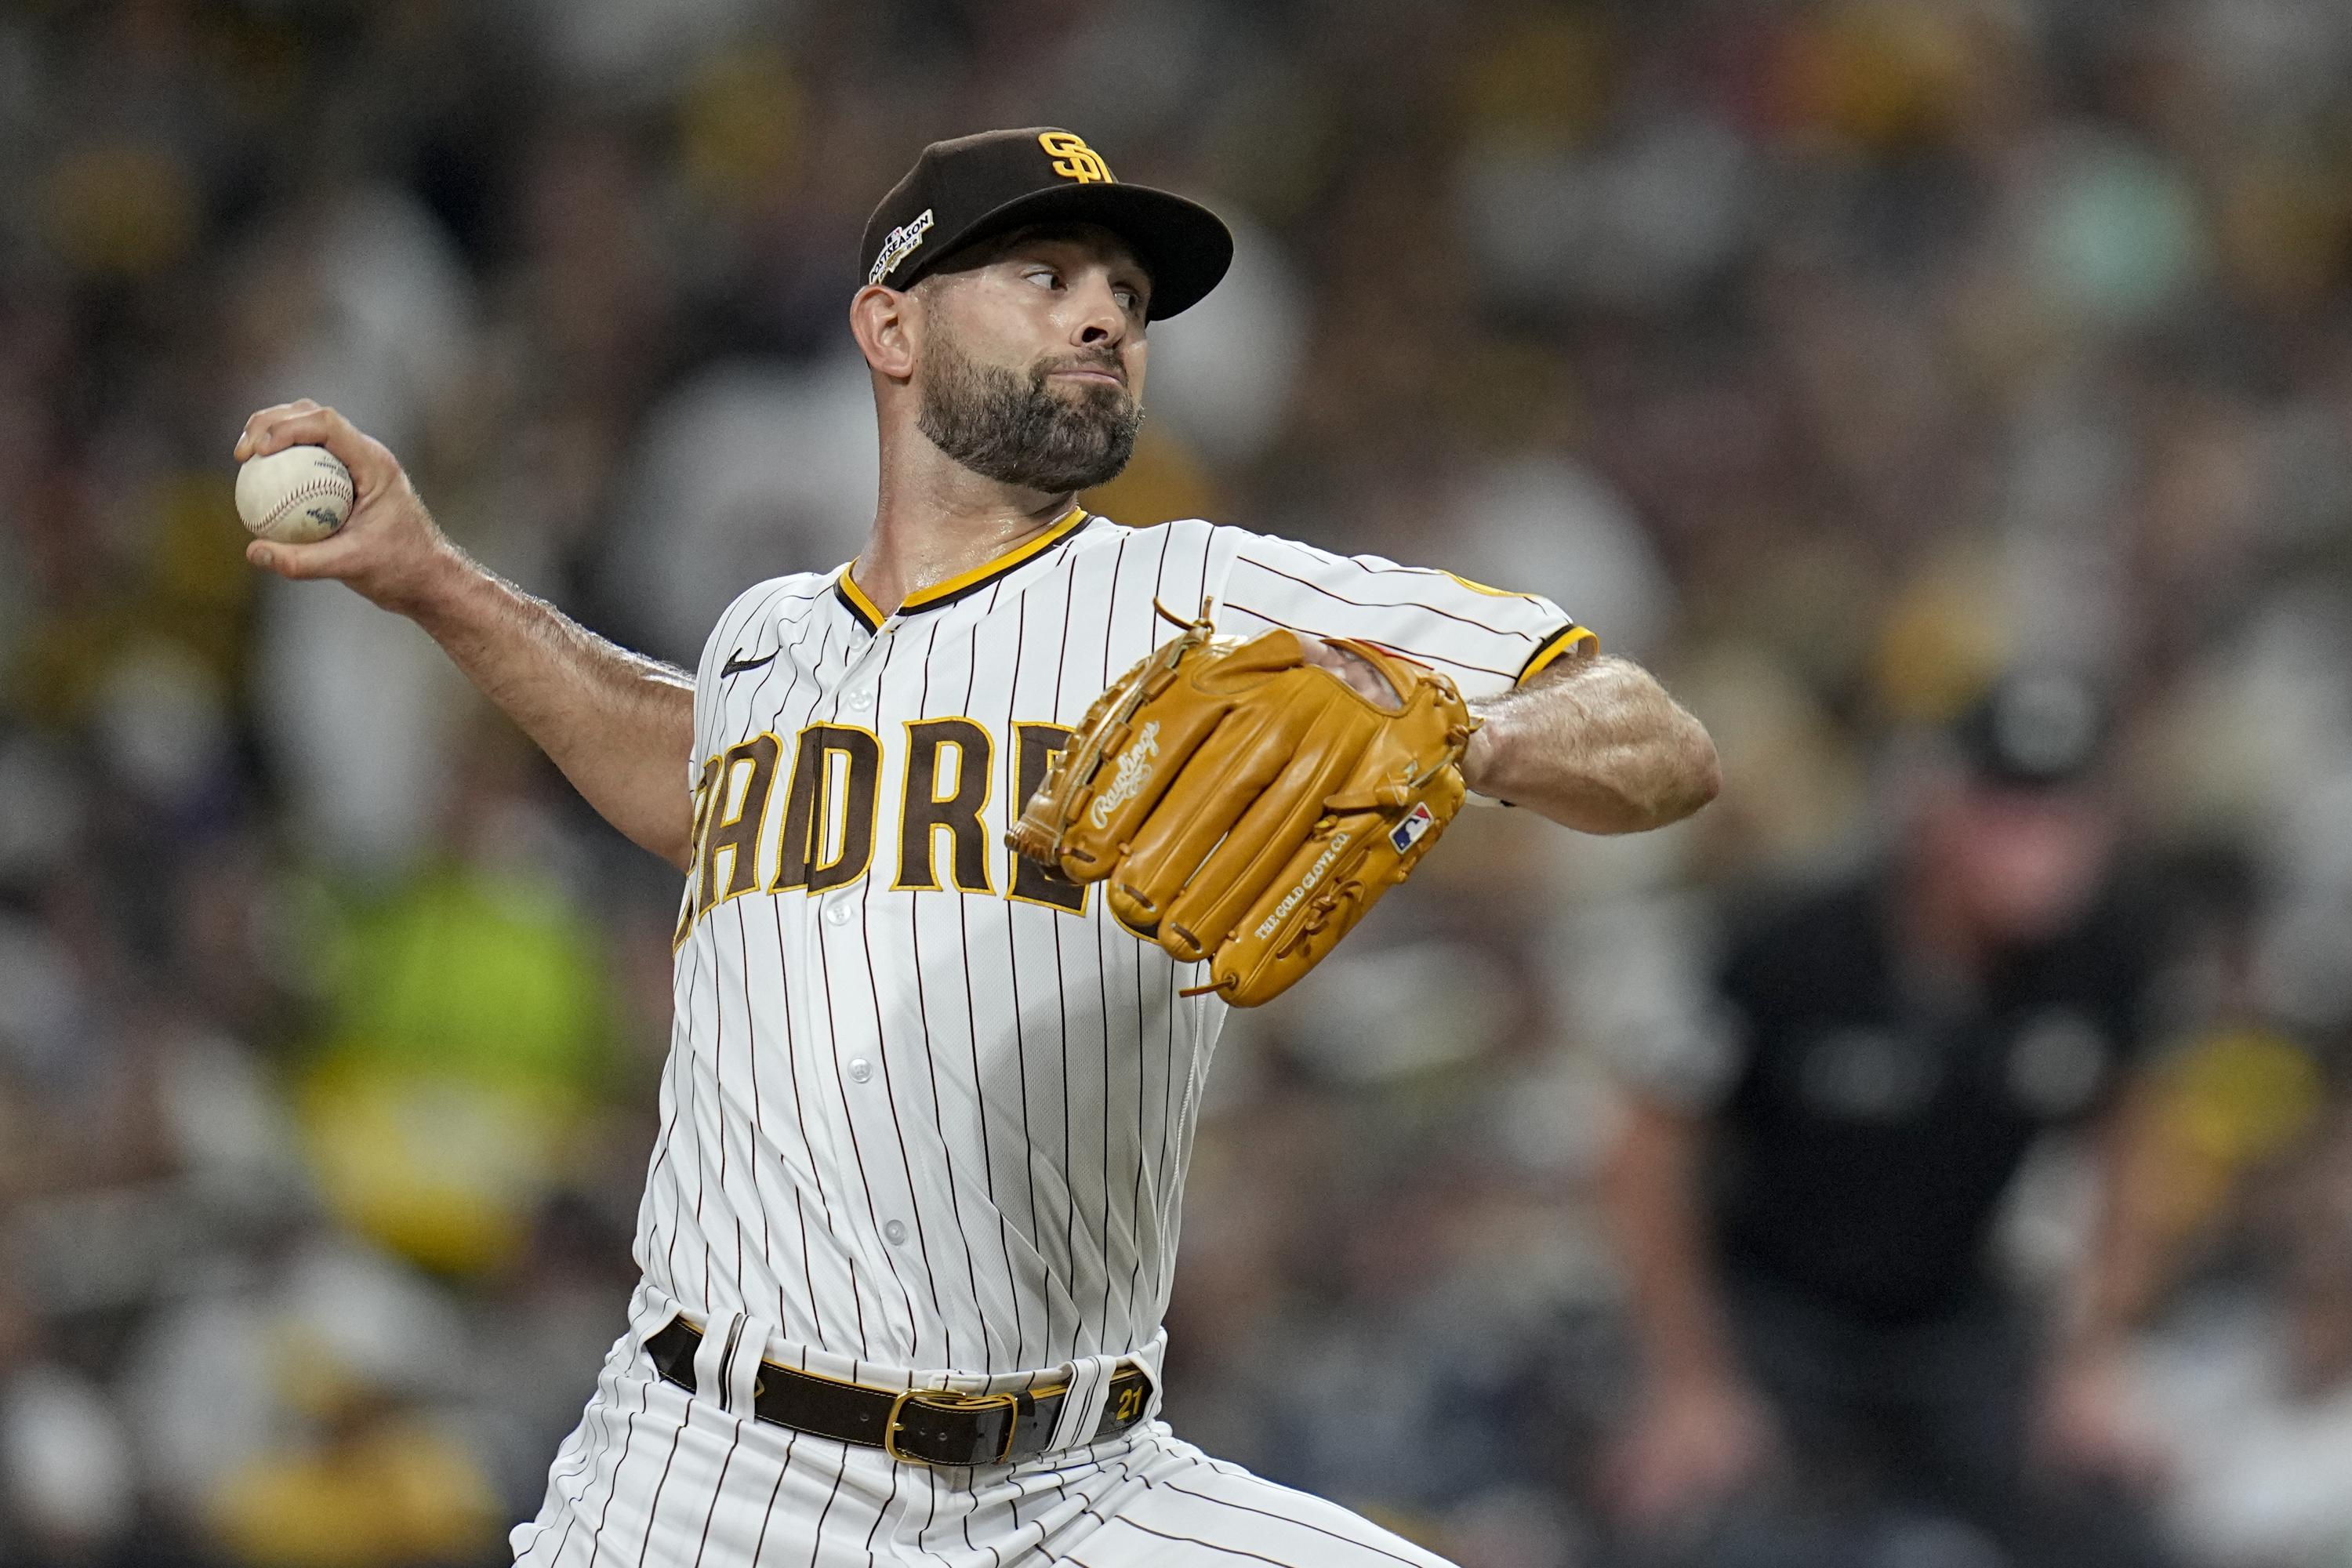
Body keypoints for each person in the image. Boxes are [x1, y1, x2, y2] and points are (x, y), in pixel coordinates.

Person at [234, 127, 1719, 1567]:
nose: (1103, 318)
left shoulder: (1209, 597)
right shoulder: (770, 639)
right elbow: (699, 780)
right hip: (705, 1475)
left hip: (1078, 1485)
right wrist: (431, 581)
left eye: (1127, 299)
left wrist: (1474, 738)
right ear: (890, 327)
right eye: (1046, 276)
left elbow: (1656, 739)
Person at [1599, 672, 2180, 1568]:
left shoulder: (2113, 952)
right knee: (1685, 1531)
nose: (2038, 848)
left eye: (2062, 814)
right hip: (1773, 1324)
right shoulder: (1792, 947)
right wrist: (1688, 1378)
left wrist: (2095, 1357)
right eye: (2006, 812)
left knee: (2128, 1528)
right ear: (1939, 810)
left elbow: (2133, 1149)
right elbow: (1647, 1148)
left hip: (1963, 1326)